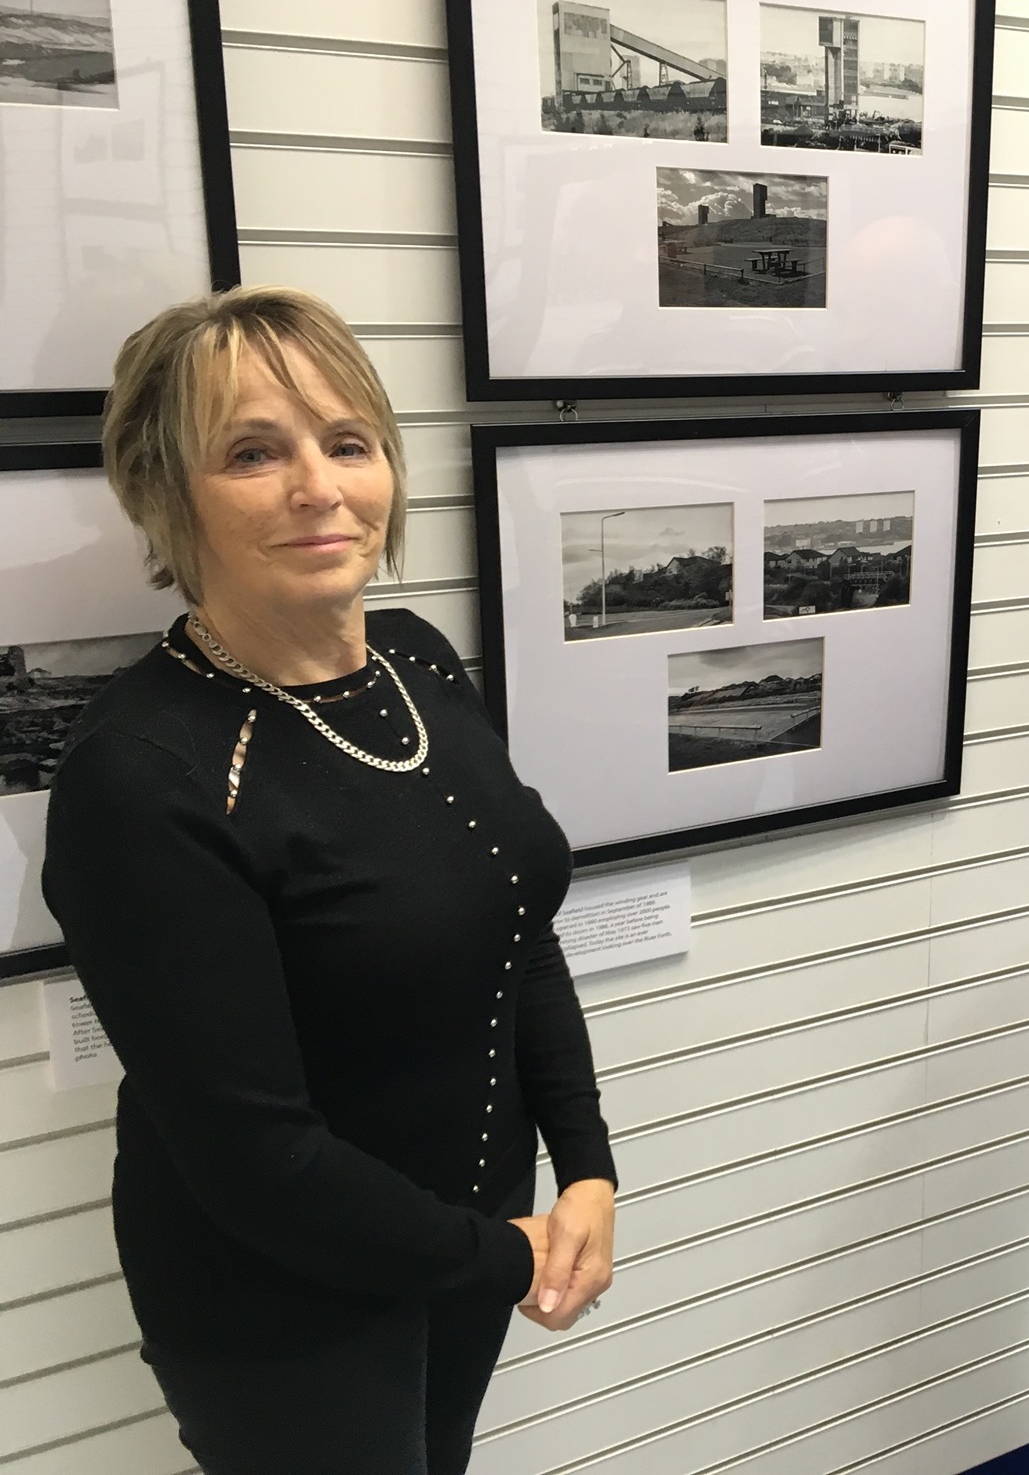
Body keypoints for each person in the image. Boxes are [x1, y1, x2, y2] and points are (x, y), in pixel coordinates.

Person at [42, 287, 618, 1475]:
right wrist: (510, 1254)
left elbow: (519, 931)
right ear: (167, 491)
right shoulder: (142, 773)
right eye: (253, 452)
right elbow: (254, 1157)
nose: (319, 488)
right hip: (278, 1299)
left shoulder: (415, 659)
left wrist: (588, 1165)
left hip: (472, 1241)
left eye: (347, 442)